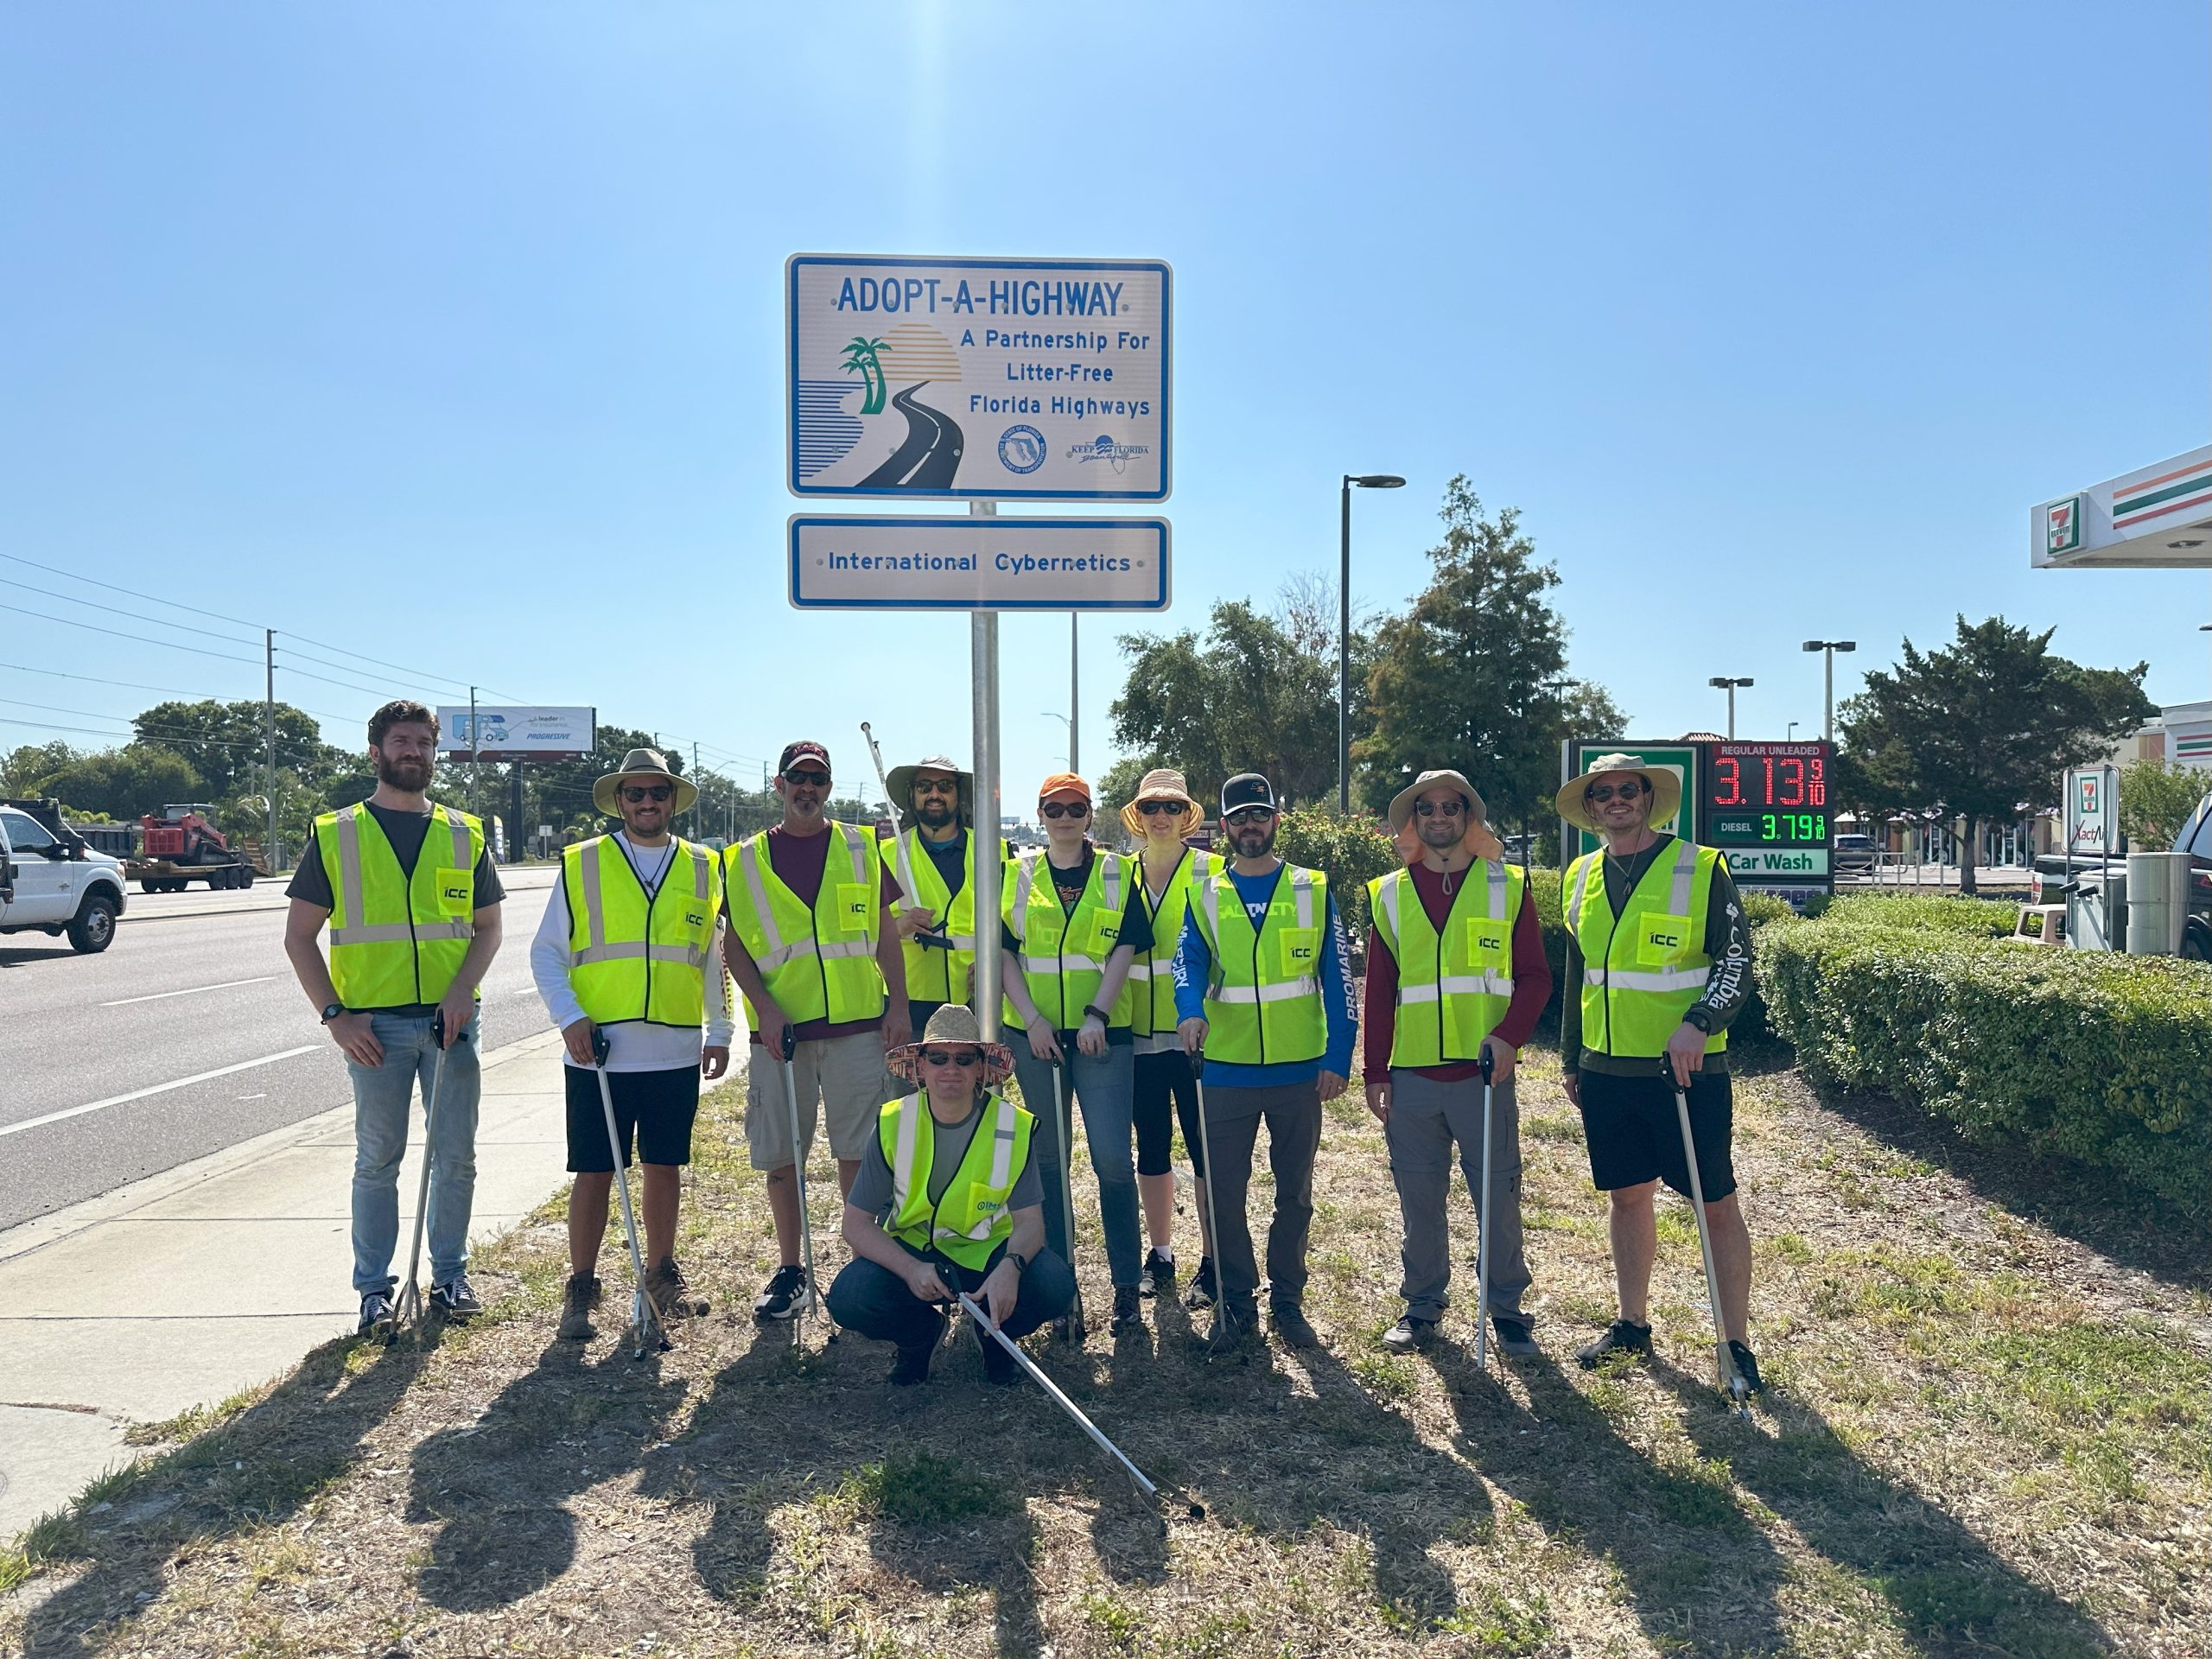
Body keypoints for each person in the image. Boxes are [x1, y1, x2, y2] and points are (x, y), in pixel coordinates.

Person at [282, 699, 504, 1332]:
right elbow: (299, 937)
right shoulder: (338, 833)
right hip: (373, 1030)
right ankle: (374, 1292)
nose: (414, 752)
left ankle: (451, 1277)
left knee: (455, 1156)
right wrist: (335, 1017)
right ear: (375, 752)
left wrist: (464, 990)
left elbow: (488, 930)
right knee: (378, 1161)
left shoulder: (465, 834)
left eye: (424, 743)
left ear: (437, 753)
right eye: (401, 742)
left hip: (452, 1025)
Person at [1556, 753, 1762, 1391]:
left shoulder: (1701, 868)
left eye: (1628, 791)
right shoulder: (1579, 876)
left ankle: (1735, 1346)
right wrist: (1571, 1058)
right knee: (1627, 1197)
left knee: (1714, 1204)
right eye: (1604, 794)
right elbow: (1579, 976)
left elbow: (1737, 961)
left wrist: (1700, 1022)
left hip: (1687, 1072)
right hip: (1607, 1070)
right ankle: (1632, 1325)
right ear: (1591, 810)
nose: (1616, 801)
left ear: (1648, 799)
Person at [531, 749, 732, 1341]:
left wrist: (719, 1030)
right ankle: (583, 1286)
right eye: (636, 794)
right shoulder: (582, 864)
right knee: (594, 1171)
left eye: (658, 794)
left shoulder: (703, 866)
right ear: (619, 801)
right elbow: (546, 952)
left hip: (673, 1051)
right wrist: (570, 1020)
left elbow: (714, 956)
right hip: (598, 1053)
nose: (648, 804)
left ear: (673, 801)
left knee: (665, 1166)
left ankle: (661, 1274)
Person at [1363, 770, 1553, 1355]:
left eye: (1451, 806)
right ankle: (1423, 1304)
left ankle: (1505, 1308)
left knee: (1496, 1196)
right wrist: (1375, 1071)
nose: (1439, 816)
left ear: (1469, 816)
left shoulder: (1507, 885)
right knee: (1419, 1199)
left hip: (1483, 1074)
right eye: (1426, 808)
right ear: (1413, 820)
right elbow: (1380, 988)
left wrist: (1509, 1037)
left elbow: (1535, 978)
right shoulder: (1389, 893)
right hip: (1414, 1076)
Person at [722, 741, 912, 1322]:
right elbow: (733, 947)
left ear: (828, 787)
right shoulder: (744, 859)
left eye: (819, 779)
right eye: (798, 779)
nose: (808, 788)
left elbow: (884, 934)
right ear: (778, 785)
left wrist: (898, 1006)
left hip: (858, 1029)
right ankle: (791, 1271)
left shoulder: (859, 847)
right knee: (784, 1155)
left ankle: (865, 1263)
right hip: (782, 1037)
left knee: (856, 1152)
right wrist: (765, 1009)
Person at [1173, 772, 1356, 1353]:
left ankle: (1288, 1300)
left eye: (1260, 815)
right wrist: (1188, 1009)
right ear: (1222, 827)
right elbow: (1188, 962)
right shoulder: (1204, 893)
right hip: (1223, 1068)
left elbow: (1341, 980)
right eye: (1239, 817)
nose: (1250, 825)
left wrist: (1338, 1055)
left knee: (1294, 1193)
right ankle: (1237, 1302)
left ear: (1277, 819)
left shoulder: (1313, 888)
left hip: (1299, 1070)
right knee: (1224, 1192)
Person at [829, 1005, 1077, 1384]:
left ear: (981, 1068)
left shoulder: (1013, 1127)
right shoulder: (892, 1122)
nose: (951, 1069)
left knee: (1053, 1284)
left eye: (964, 1059)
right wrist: (909, 1269)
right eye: (938, 1057)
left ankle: (994, 1336)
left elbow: (1030, 1224)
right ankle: (919, 1337)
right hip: (915, 1253)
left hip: (988, 1256)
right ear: (921, 1067)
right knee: (851, 1296)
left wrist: (1010, 1268)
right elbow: (856, 1224)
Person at [999, 772, 1154, 1336]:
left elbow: (1126, 946)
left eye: (1075, 808)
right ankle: (1061, 1292)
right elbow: (1005, 955)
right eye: (1053, 809)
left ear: (1090, 815)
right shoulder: (1015, 875)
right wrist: (1034, 1021)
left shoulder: (1118, 872)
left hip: (1100, 1039)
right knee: (1049, 1167)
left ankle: (1124, 1289)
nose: (1064, 818)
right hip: (1035, 1039)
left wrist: (1098, 1015)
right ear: (1040, 815)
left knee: (1113, 1161)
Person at [1118, 767, 1217, 1304]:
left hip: (1198, 1038)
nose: (1162, 816)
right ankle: (1161, 1254)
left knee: (1205, 1151)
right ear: (1138, 815)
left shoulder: (1214, 872)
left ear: (1187, 816)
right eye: (1152, 807)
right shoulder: (1116, 875)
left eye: (1172, 807)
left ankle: (1212, 1258)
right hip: (1135, 1037)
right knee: (1151, 1148)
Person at [881, 753, 996, 1039]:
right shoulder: (884, 855)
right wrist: (900, 927)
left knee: (974, 1084)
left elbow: (1016, 928)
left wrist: (995, 966)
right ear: (912, 795)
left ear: (959, 794)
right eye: (924, 787)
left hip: (978, 1001)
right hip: (907, 1005)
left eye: (945, 786)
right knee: (907, 1085)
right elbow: (860, 934)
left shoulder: (995, 852)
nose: (935, 794)